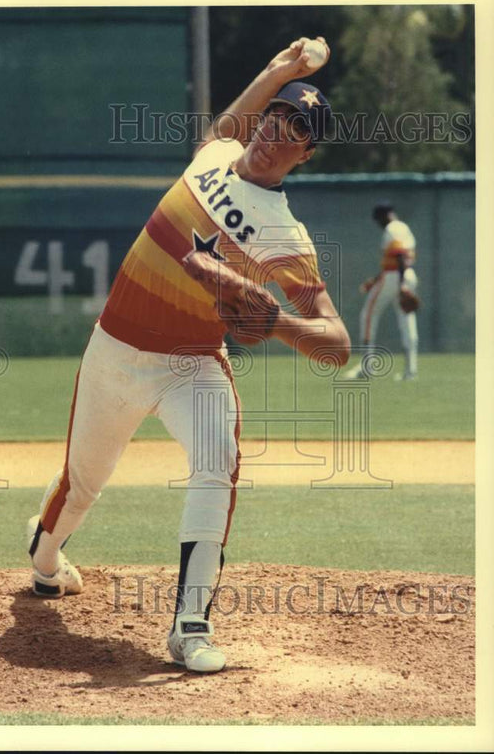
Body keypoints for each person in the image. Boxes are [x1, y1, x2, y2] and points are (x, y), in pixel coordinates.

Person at [25, 37, 350, 673]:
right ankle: (43, 558)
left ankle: (189, 627)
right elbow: (228, 123)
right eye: (276, 116)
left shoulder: (287, 236)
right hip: (115, 349)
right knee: (82, 485)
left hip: (191, 362)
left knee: (218, 459)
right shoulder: (220, 152)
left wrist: (277, 320)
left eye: (294, 130)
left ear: (306, 153)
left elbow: (336, 344)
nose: (275, 131)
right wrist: (278, 70)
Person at [344, 203, 419, 381]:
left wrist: (400, 284)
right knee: (407, 321)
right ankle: (411, 370)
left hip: (395, 277)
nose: (378, 223)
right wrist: (377, 280)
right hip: (405, 275)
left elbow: (399, 255)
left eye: (378, 219)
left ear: (384, 215)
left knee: (368, 316)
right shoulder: (403, 227)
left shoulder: (393, 228)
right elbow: (398, 258)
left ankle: (367, 367)